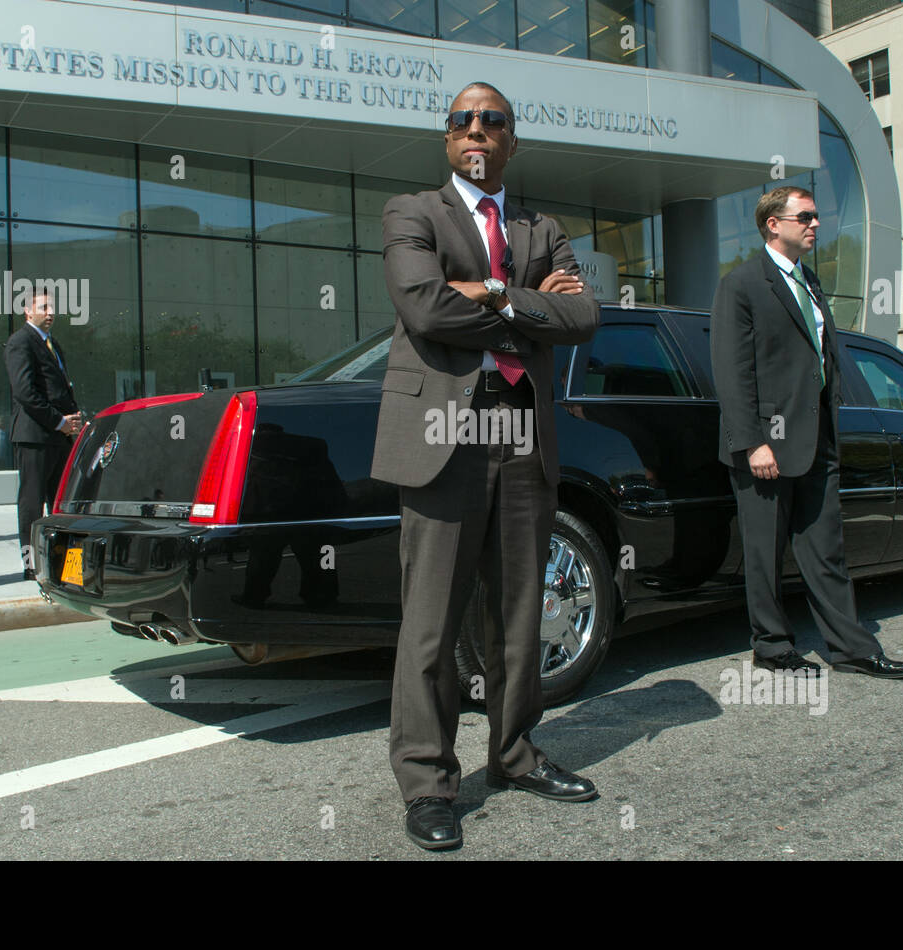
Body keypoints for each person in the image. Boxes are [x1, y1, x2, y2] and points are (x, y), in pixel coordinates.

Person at [371, 80, 600, 851]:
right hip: (443, 432)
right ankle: (429, 782)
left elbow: (582, 317)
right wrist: (525, 298)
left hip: (522, 433)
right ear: (447, 139)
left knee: (518, 616)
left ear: (510, 140)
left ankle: (514, 753)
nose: (477, 129)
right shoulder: (412, 212)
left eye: (492, 120)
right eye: (463, 119)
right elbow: (426, 308)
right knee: (431, 625)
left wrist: (495, 291)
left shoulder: (544, 227)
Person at [710, 185, 903, 683]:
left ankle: (852, 649)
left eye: (817, 216)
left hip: (817, 439)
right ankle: (773, 648)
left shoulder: (810, 282)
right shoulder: (742, 284)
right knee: (764, 554)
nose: (815, 224)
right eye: (804, 216)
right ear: (772, 225)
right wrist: (753, 441)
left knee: (827, 549)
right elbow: (732, 371)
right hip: (765, 445)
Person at [4, 289, 83, 579]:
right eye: (44, 307)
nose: (51, 312)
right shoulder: (19, 342)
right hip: (35, 436)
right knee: (32, 502)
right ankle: (32, 565)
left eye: (53, 307)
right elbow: (25, 392)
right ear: (28, 311)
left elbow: (59, 388)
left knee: (62, 502)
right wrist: (58, 422)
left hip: (60, 436)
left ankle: (65, 566)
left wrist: (72, 423)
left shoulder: (52, 343)